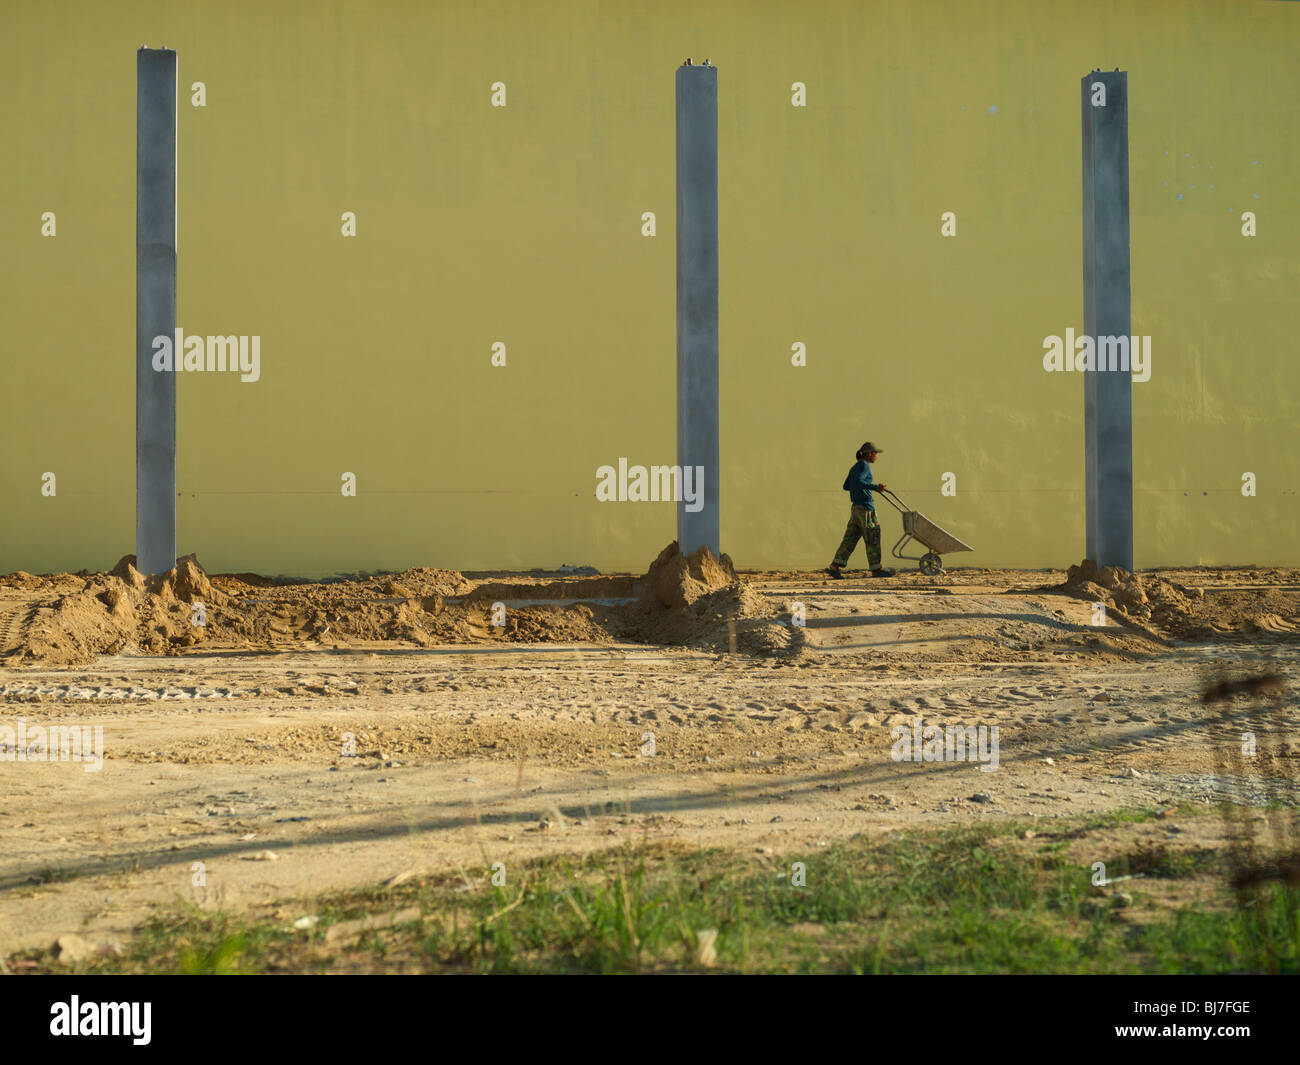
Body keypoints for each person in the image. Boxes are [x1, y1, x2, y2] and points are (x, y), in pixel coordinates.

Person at [827, 442, 895, 578]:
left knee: (850, 538)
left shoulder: (855, 467)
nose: (876, 456)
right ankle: (876, 570)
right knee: (873, 536)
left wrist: (860, 489)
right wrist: (876, 487)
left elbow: (847, 486)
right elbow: (858, 482)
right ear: (869, 454)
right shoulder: (864, 466)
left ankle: (835, 566)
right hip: (866, 508)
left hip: (856, 509)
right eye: (875, 454)